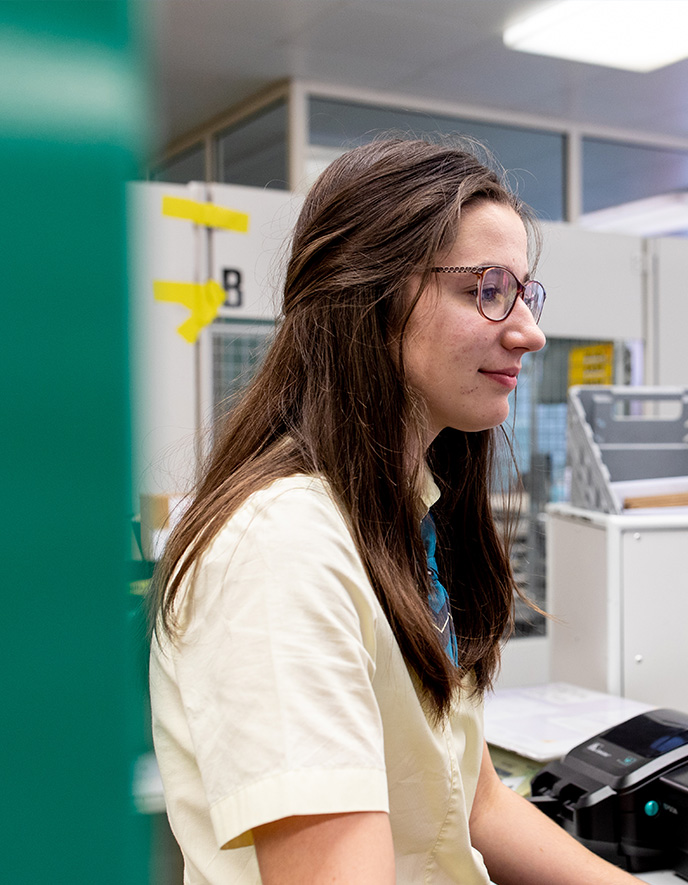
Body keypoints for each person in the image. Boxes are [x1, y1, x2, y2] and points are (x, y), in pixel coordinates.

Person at [148, 138, 642, 885]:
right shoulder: (282, 547)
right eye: (487, 288)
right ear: (372, 297)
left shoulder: (406, 517)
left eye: (525, 293)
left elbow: (474, 806)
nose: (529, 331)